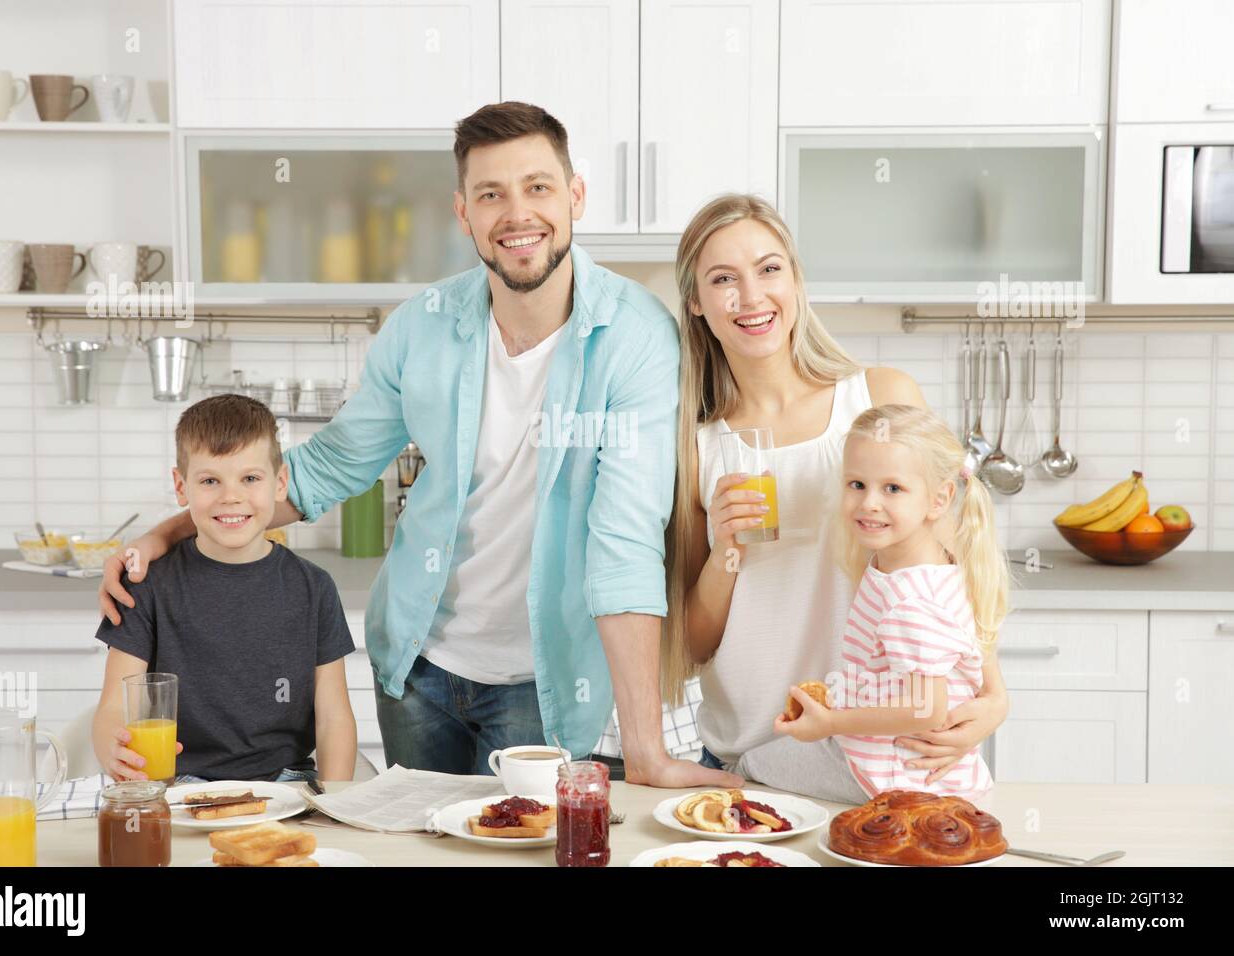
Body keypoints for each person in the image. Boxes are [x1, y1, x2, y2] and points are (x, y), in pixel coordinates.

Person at [99, 102, 740, 789]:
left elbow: (625, 537)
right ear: (463, 212)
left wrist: (643, 749)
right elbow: (329, 468)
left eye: (538, 187)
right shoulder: (421, 329)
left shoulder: (637, 338)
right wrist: (167, 536)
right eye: (491, 194)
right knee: (418, 849)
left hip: (544, 678)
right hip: (419, 670)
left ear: (576, 194)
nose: (517, 213)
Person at [660, 193, 1008, 802]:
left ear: (795, 279)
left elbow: (951, 568)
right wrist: (724, 551)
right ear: (695, 302)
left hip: (874, 755)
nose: (752, 296)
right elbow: (692, 645)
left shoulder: (877, 399)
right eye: (723, 279)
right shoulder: (696, 446)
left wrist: (993, 694)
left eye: (769, 269)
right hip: (747, 758)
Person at [92, 394, 358, 784]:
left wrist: (336, 804)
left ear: (280, 482)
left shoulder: (314, 587)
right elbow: (114, 707)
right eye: (210, 480)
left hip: (288, 785)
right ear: (181, 487)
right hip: (177, 785)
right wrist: (111, 750)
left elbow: (334, 717)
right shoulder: (146, 586)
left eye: (250, 478)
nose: (230, 496)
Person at [773, 404, 1007, 801]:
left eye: (893, 489)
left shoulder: (910, 601)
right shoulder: (932, 561)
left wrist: (830, 723)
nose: (869, 504)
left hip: (888, 778)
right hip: (895, 764)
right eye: (857, 485)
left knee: (747, 768)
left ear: (938, 500)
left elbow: (925, 710)